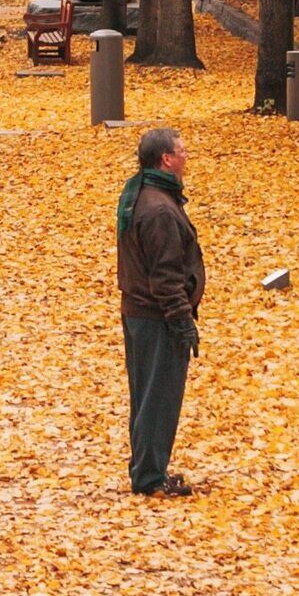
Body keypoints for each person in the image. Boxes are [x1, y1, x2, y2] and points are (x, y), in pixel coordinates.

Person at [115, 124, 204, 497]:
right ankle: (150, 478)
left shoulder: (142, 194)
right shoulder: (160, 210)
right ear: (166, 159)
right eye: (182, 151)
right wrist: (182, 321)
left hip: (140, 312)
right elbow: (165, 277)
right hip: (156, 317)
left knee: (146, 393)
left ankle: (147, 468)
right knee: (158, 397)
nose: (186, 156)